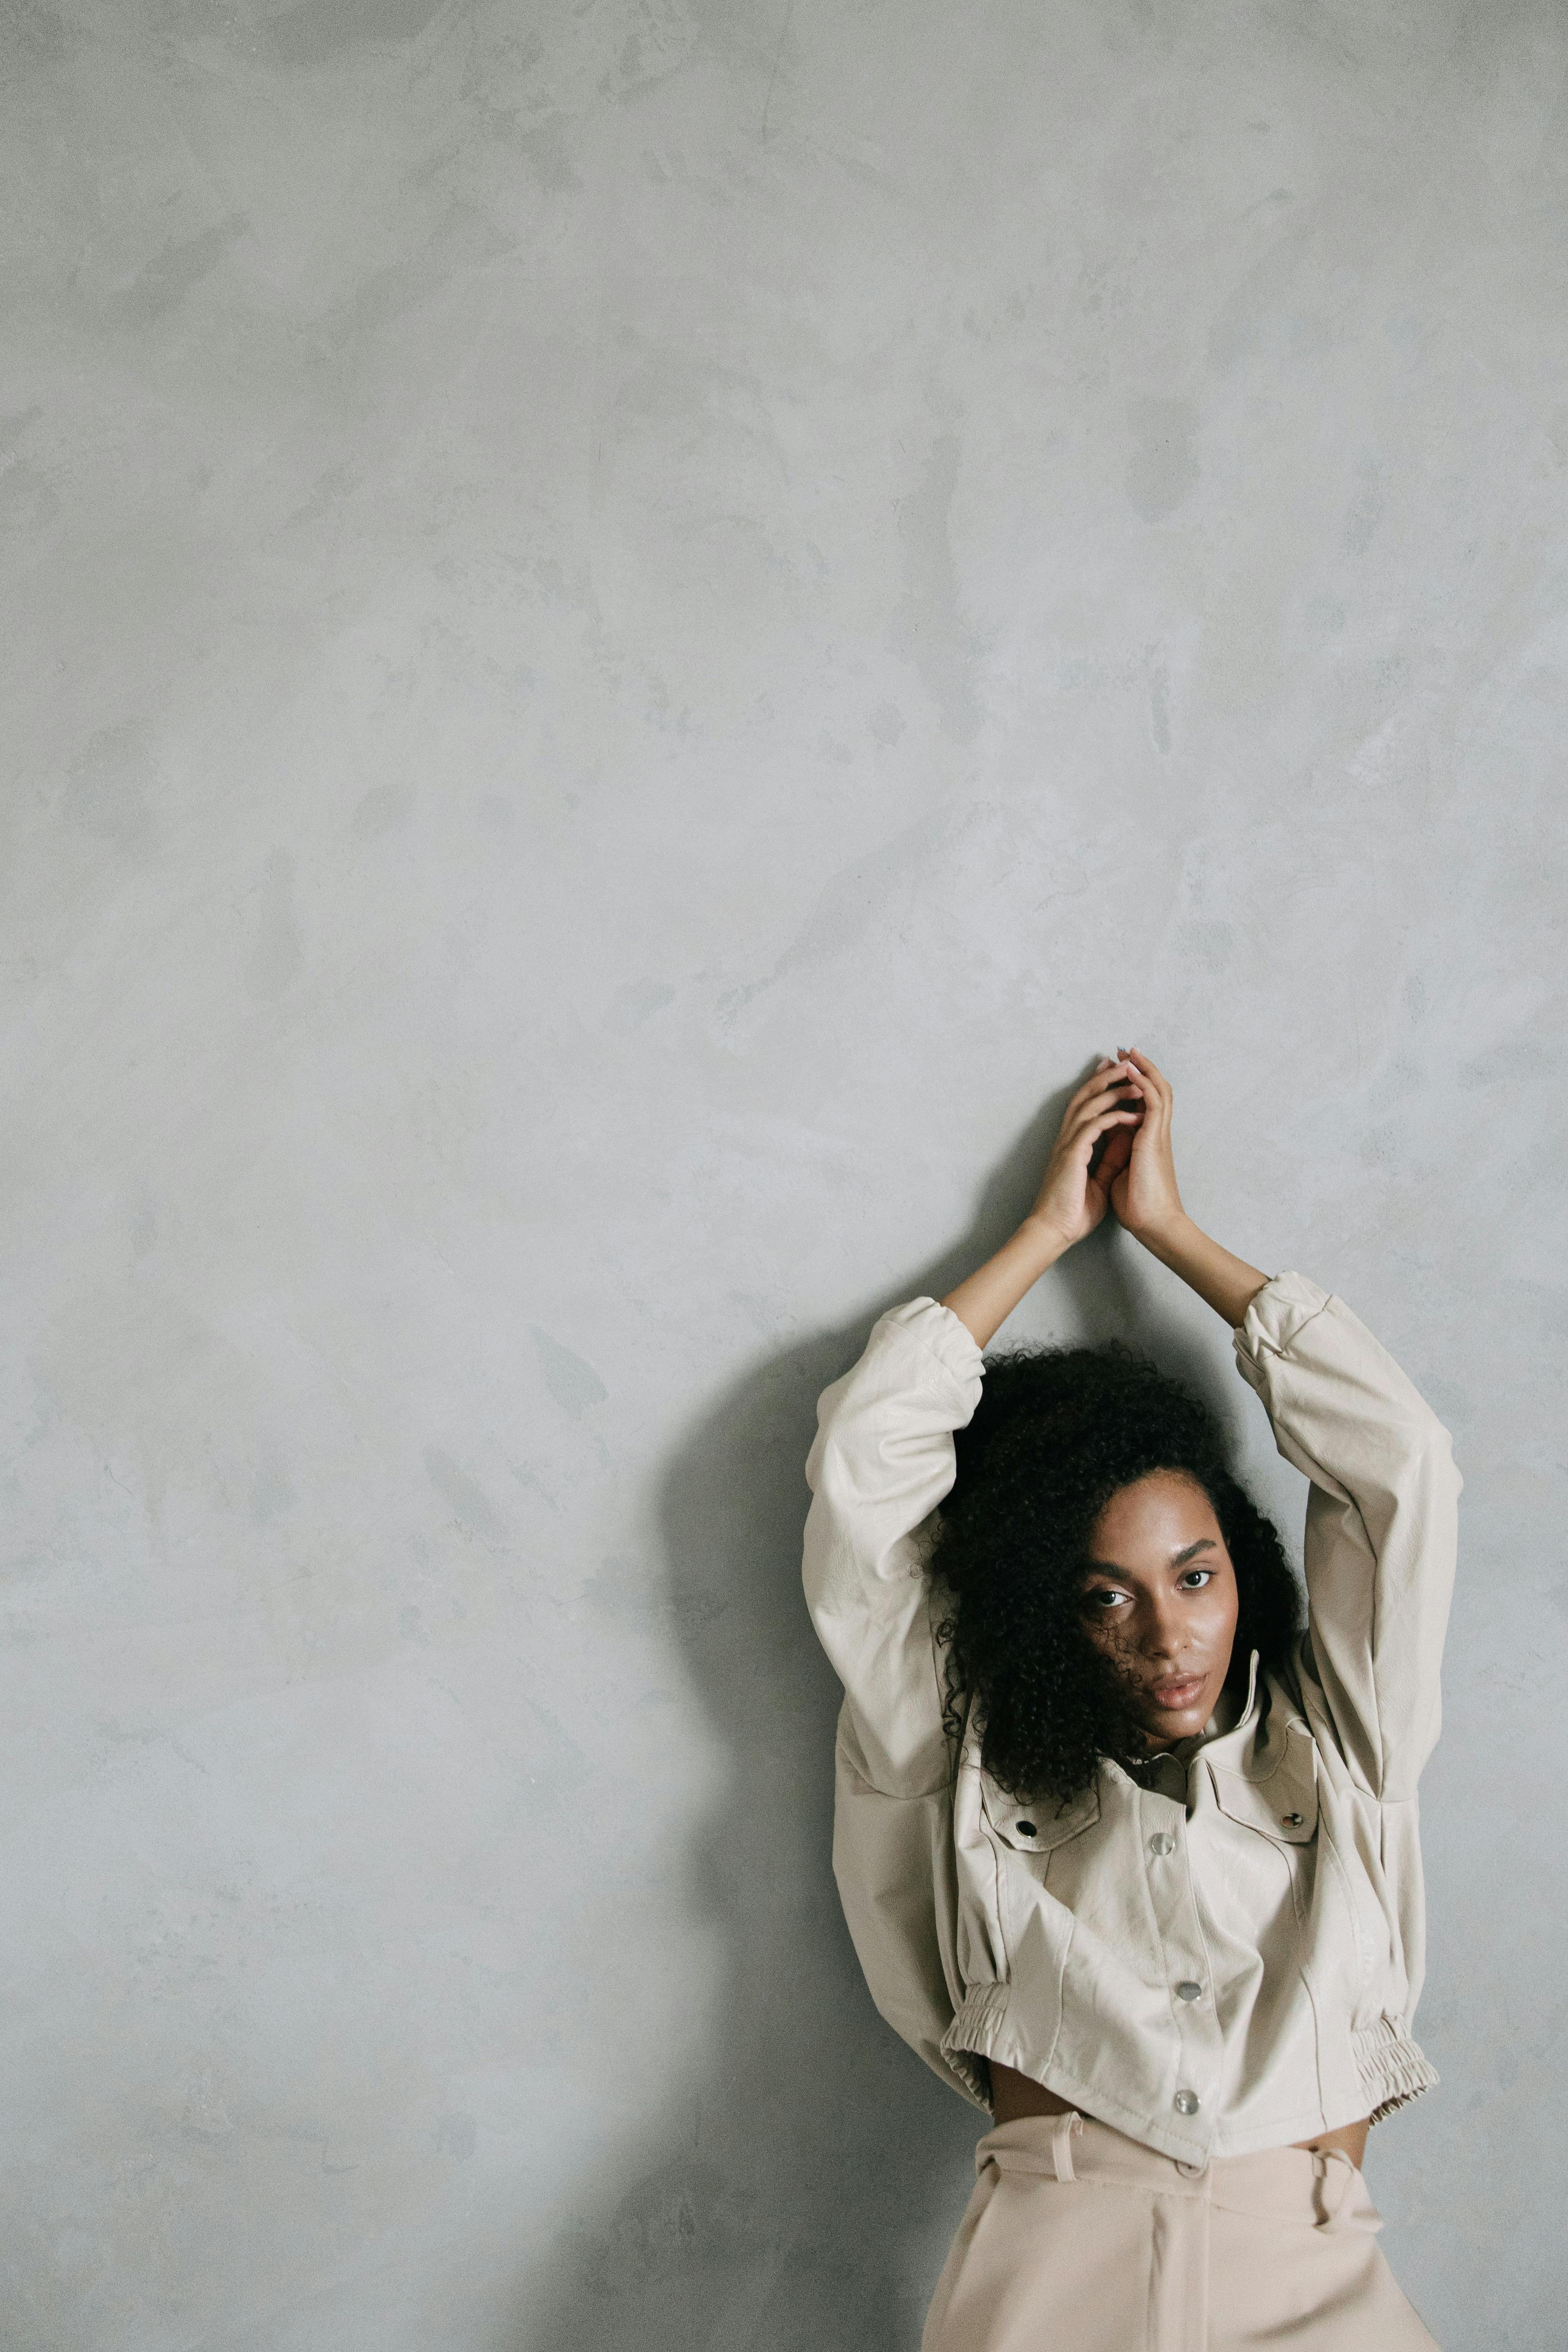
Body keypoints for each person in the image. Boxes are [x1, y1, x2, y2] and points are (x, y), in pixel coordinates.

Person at [802, 1050, 1459, 2350]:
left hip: (1311, 2270)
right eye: (1107, 1599)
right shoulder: (963, 1761)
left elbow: (1402, 1463)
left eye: (1196, 1575)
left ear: (1241, 1573)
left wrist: (1168, 1233)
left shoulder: (1342, 1746)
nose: (1171, 1634)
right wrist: (1047, 1231)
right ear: (1053, 1615)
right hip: (1055, 2270)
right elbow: (864, 1465)